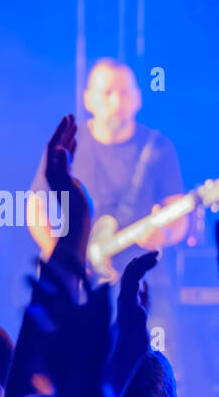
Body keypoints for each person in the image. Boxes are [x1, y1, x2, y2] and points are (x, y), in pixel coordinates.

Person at [26, 58, 188, 270]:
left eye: (124, 93)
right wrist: (60, 256)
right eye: (107, 93)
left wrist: (165, 234)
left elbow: (180, 215)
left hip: (140, 278)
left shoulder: (159, 147)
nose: (116, 102)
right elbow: (35, 207)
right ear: (88, 99)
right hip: (79, 278)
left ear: (138, 98)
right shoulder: (69, 141)